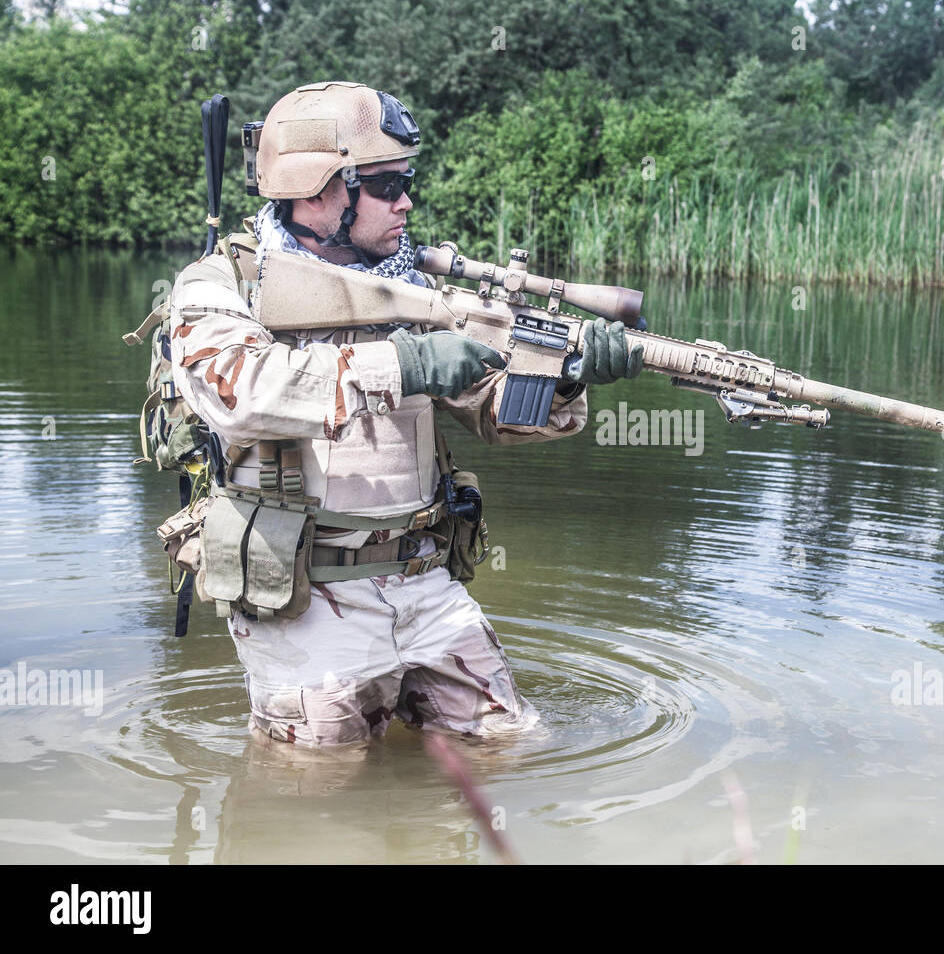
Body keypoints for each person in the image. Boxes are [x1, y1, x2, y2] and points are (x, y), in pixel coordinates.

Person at [170, 81, 642, 747]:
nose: (407, 201)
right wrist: (404, 366)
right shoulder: (224, 286)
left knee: (513, 748)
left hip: (425, 583)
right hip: (306, 598)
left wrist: (561, 374)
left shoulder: (414, 290)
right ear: (320, 189)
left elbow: (500, 416)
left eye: (407, 180)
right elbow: (237, 393)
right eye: (387, 184)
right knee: (309, 808)